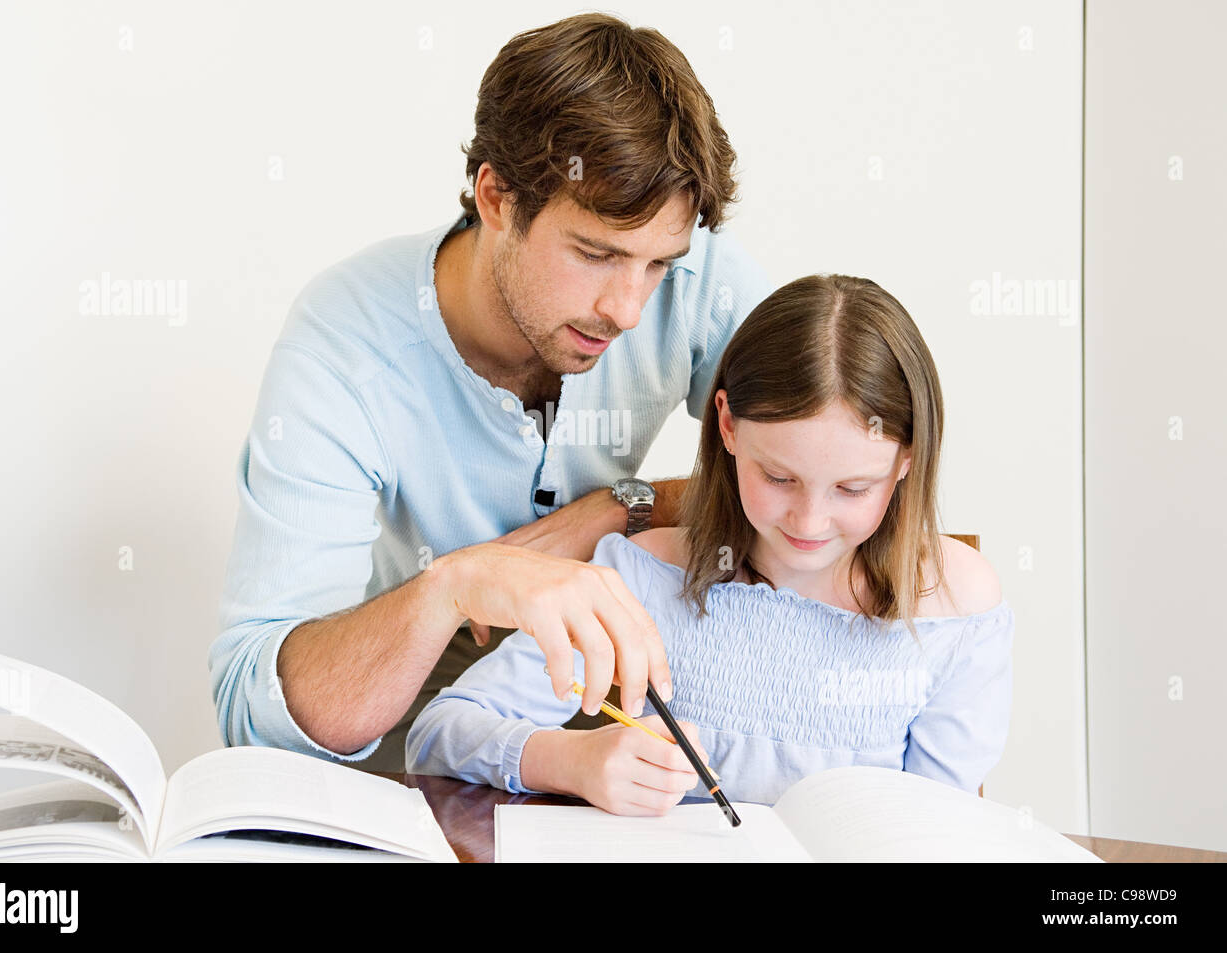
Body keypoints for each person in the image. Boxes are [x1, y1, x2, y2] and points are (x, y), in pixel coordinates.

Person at [209, 13, 775, 772]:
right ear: (497, 199)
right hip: (415, 699)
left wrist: (620, 507)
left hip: (626, 690)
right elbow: (256, 713)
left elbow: (822, 491)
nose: (629, 309)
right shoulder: (345, 342)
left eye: (657, 265)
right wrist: (458, 584)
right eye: (596, 253)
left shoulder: (702, 279)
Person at [406, 274, 1014, 812]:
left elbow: (945, 827)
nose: (809, 521)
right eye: (778, 478)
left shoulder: (956, 606)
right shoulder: (641, 577)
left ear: (907, 458)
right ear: (726, 424)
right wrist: (574, 761)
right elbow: (437, 734)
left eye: (853, 489)